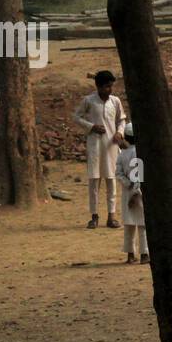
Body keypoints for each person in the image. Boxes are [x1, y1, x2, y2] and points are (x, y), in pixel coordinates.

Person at [74, 70, 125, 229]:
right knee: (94, 181)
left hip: (111, 146)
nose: (109, 90)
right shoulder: (89, 100)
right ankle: (94, 216)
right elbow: (77, 117)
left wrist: (119, 133)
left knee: (111, 181)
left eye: (111, 86)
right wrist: (92, 127)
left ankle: (112, 216)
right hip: (95, 145)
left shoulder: (115, 101)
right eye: (106, 87)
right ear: (99, 86)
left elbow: (121, 120)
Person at [115, 122, 148, 265]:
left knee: (129, 226)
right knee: (142, 226)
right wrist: (136, 190)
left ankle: (130, 254)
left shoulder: (122, 155)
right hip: (139, 194)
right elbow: (139, 176)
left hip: (127, 193)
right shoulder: (140, 154)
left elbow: (119, 174)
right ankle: (144, 254)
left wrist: (128, 185)